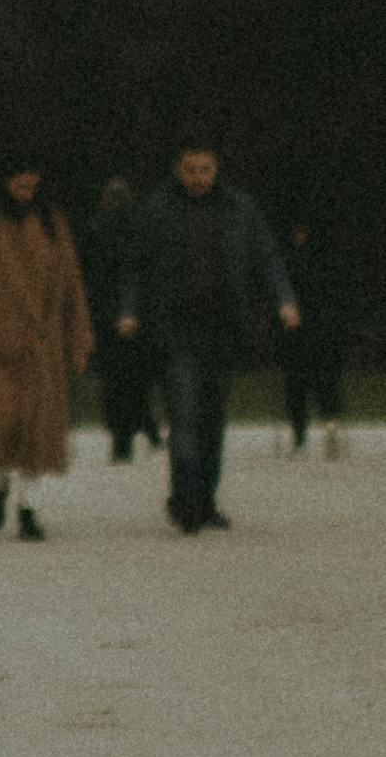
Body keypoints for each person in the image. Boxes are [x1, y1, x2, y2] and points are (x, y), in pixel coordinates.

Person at [114, 142, 298, 532]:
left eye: (206, 169)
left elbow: (267, 257)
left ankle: (206, 499)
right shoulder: (157, 211)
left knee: (212, 420)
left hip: (223, 329)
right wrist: (129, 309)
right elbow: (135, 266)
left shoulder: (239, 209)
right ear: (178, 170)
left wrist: (284, 299)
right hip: (175, 330)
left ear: (216, 169)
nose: (200, 177)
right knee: (184, 415)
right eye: (192, 169)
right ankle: (184, 500)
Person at [0, 156, 93, 540]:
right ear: (4, 182)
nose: (26, 193)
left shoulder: (51, 222)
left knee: (38, 427)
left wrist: (79, 339)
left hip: (43, 344)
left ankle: (28, 505)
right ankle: (0, 483)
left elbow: (71, 282)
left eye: (32, 186)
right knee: (3, 420)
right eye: (20, 186)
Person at [83, 175, 160, 461]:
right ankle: (145, 428)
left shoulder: (95, 228)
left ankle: (121, 437)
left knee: (113, 380)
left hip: (105, 313)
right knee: (136, 379)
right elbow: (141, 272)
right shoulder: (140, 228)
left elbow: (91, 275)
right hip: (137, 314)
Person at [278, 213, 350, 459]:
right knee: (325, 379)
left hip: (298, 328)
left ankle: (301, 438)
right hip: (321, 328)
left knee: (298, 385)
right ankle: (330, 421)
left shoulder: (289, 259)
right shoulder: (329, 257)